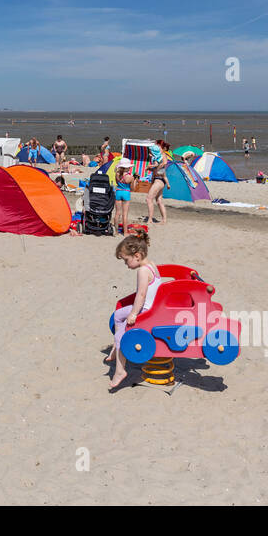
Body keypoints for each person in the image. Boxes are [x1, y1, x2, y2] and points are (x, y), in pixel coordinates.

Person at [106, 233, 165, 391]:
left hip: (145, 309)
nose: (126, 264)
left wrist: (133, 314)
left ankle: (120, 371)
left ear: (137, 255)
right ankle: (115, 348)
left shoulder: (142, 271)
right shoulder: (151, 264)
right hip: (150, 306)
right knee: (118, 315)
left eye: (126, 260)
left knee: (122, 333)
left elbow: (141, 294)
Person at [145, 140, 171, 225]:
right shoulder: (156, 156)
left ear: (161, 147)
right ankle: (164, 220)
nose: (156, 148)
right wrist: (151, 168)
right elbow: (157, 168)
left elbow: (164, 163)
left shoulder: (163, 155)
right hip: (158, 179)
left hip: (160, 179)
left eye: (158, 146)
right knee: (159, 201)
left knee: (149, 199)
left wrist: (155, 167)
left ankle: (150, 219)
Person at [114, 158, 134, 234]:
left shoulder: (117, 174)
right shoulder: (130, 177)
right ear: (128, 167)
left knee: (117, 213)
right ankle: (125, 232)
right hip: (126, 192)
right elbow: (132, 188)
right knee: (125, 214)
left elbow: (117, 182)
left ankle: (115, 231)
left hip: (118, 192)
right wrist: (135, 180)